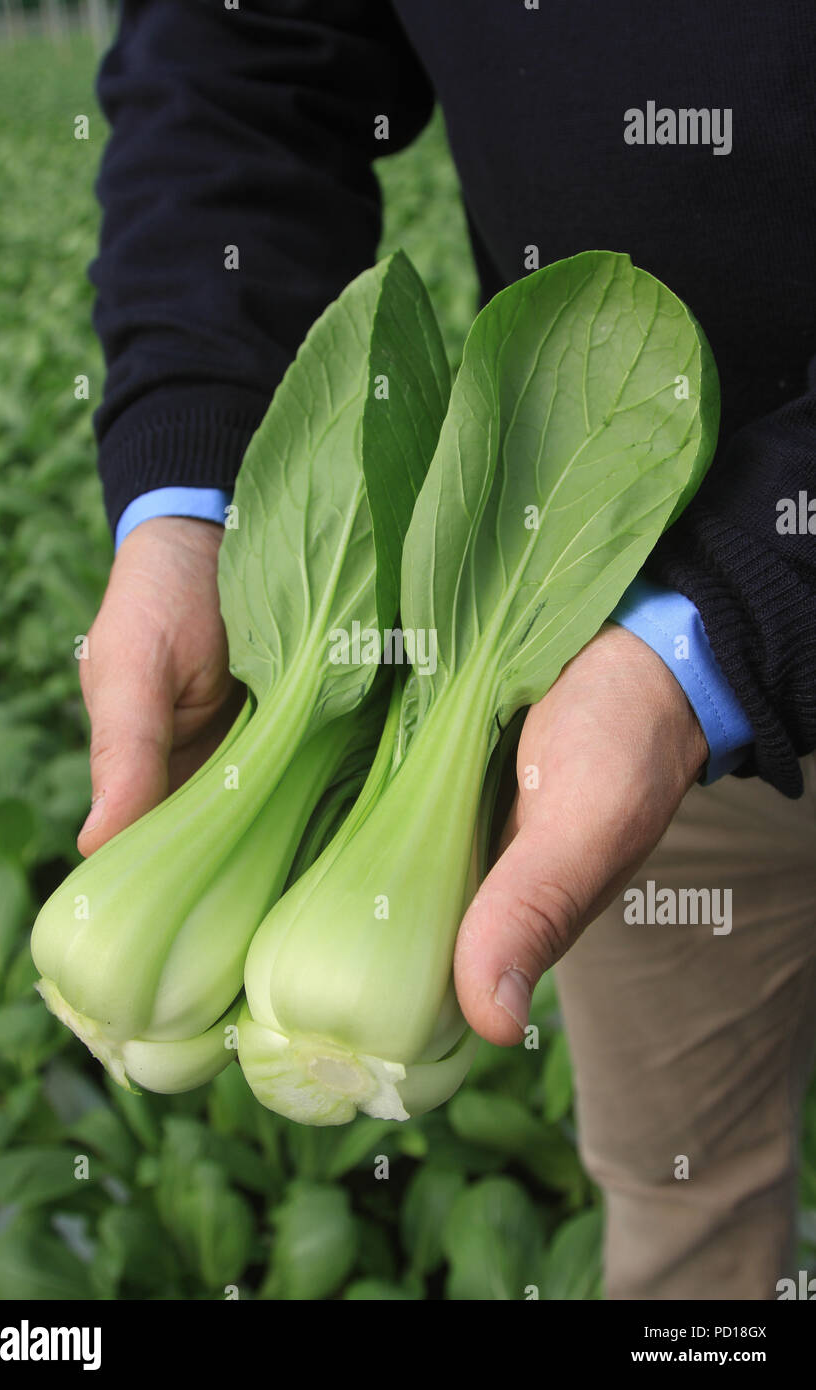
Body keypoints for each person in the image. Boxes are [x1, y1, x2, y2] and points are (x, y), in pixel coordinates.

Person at [80, 2, 816, 1299]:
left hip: (639, 628)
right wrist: (194, 491)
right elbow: (235, 51)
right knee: (678, 1177)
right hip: (601, 673)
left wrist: (747, 602)